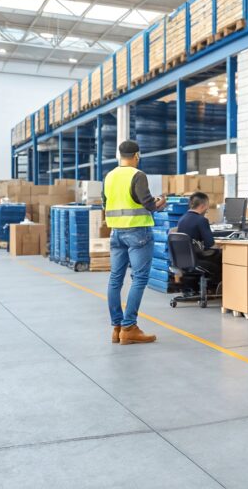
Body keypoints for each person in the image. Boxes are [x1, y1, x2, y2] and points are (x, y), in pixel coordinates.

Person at [103, 140, 166, 345]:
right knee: (139, 279)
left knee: (115, 279)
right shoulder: (137, 175)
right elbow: (147, 203)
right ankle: (129, 327)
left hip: (116, 233)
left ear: (119, 155)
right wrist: (160, 203)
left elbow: (105, 203)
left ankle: (117, 328)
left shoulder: (109, 176)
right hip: (138, 232)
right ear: (137, 156)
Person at [176, 192, 222, 281]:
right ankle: (217, 291)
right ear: (202, 206)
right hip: (195, 261)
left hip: (182, 261)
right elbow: (210, 244)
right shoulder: (202, 220)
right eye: (207, 206)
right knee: (221, 257)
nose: (207, 209)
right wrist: (222, 248)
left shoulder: (182, 219)